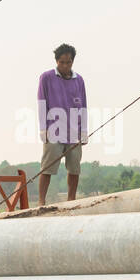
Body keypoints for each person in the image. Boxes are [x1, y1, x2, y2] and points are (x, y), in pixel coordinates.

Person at [36, 43, 87, 206]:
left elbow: (83, 106)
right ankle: (41, 201)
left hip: (74, 131)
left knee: (74, 168)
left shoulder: (79, 80)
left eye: (68, 62)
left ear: (72, 62)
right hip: (54, 129)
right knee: (48, 167)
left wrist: (84, 130)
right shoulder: (47, 77)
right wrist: (43, 128)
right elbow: (42, 102)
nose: (65, 65)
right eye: (62, 62)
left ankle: (71, 200)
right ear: (57, 61)